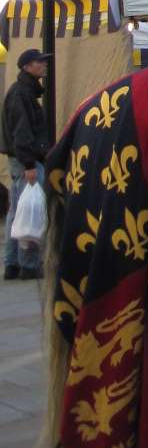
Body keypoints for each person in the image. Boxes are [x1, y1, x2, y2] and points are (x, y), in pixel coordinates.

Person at [2, 49, 50, 281]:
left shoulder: (20, 91)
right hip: (26, 160)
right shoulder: (22, 94)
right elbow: (22, 132)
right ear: (27, 66)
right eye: (39, 62)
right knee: (30, 211)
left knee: (17, 210)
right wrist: (30, 164)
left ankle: (12, 264)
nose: (43, 65)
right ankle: (28, 265)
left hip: (20, 159)